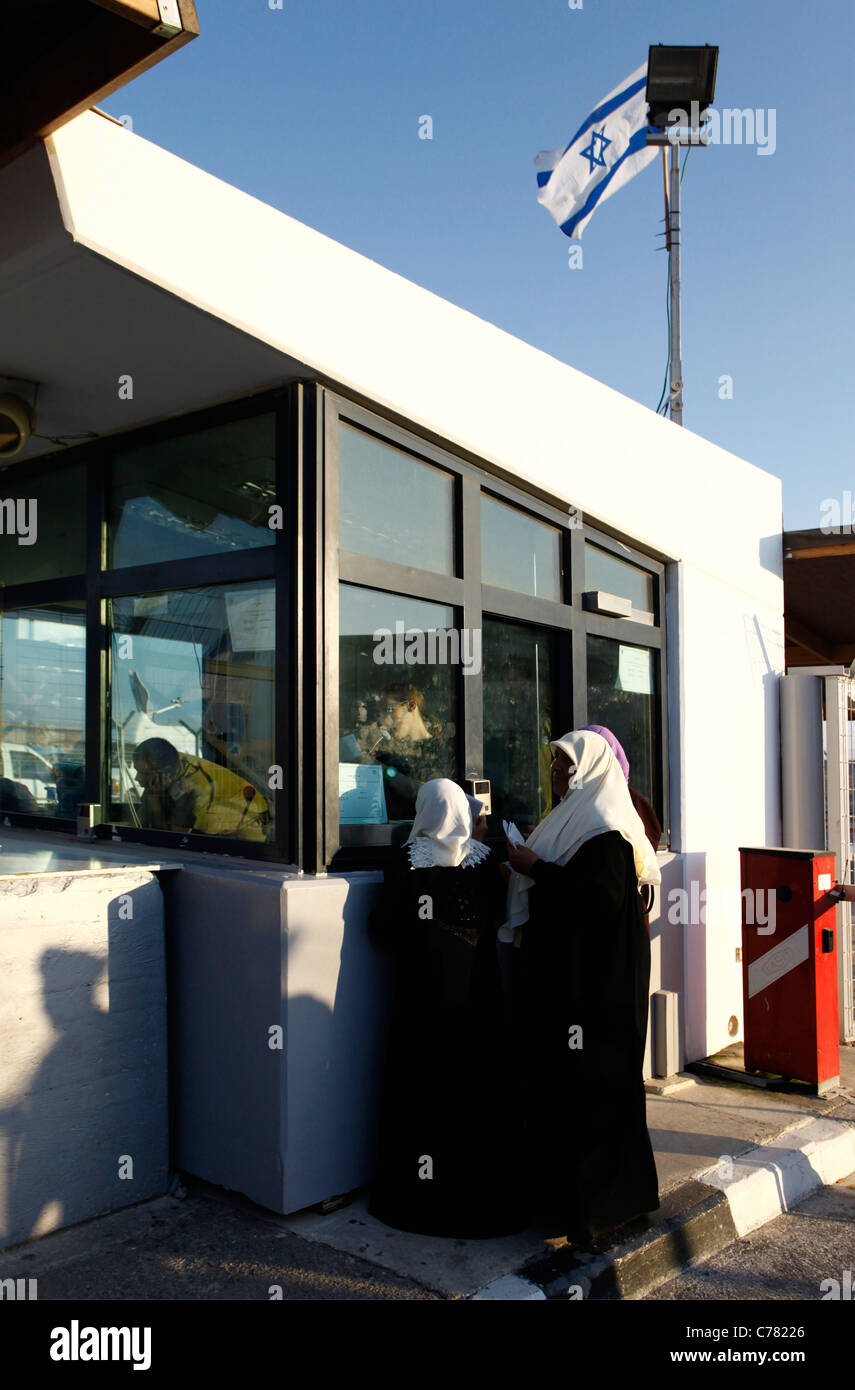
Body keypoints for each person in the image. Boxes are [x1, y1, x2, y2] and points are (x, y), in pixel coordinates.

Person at [503, 729, 661, 1243]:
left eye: (565, 765)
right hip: (577, 979)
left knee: (598, 1089)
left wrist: (536, 869)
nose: (557, 773)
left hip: (603, 988)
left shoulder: (607, 827)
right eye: (554, 764)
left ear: (589, 769)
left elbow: (593, 901)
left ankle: (602, 1210)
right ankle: (573, 1204)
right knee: (569, 1091)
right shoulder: (574, 817)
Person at [368, 778, 524, 1237]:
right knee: (476, 1093)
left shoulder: (406, 863)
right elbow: (497, 915)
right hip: (478, 1001)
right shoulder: (482, 862)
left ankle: (423, 1201)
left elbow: (383, 929)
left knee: (425, 1093)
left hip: (424, 1003)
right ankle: (481, 1198)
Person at [132, 737, 270, 841]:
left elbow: (172, 839)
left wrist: (154, 796)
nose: (137, 778)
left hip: (250, 827)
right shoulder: (167, 761)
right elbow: (138, 823)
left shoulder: (197, 790)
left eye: (143, 773)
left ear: (166, 773)